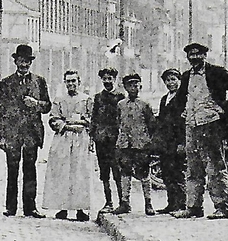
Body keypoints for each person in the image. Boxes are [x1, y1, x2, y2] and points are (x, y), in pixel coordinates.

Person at [169, 42, 228, 221]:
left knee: (215, 168)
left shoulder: (217, 72)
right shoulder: (187, 76)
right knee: (193, 169)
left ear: (205, 55)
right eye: (191, 55)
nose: (194, 58)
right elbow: (180, 99)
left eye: (198, 54)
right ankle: (194, 207)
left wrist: (223, 109)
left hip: (211, 125)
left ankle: (222, 207)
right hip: (191, 126)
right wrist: (181, 113)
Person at [0, 44, 52, 218]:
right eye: (20, 61)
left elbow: (47, 106)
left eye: (27, 62)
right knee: (12, 170)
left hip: (31, 134)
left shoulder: (39, 81)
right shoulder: (6, 83)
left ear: (30, 63)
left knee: (30, 170)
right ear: (15, 61)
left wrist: (36, 103)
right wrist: (1, 136)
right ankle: (10, 207)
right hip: (12, 134)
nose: (24, 65)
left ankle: (30, 207)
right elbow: (0, 111)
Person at [43, 70, 95, 221]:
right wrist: (65, 126)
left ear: (79, 82)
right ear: (64, 83)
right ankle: (63, 207)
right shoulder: (59, 100)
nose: (71, 84)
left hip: (80, 138)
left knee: (80, 173)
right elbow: (53, 119)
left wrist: (81, 123)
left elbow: (92, 119)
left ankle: (80, 209)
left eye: (74, 81)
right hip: (63, 138)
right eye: (68, 81)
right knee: (62, 172)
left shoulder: (86, 99)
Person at [115, 73, 156, 215]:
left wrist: (149, 143)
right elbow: (118, 123)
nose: (133, 88)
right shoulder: (121, 105)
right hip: (125, 144)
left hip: (141, 144)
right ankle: (125, 203)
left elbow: (152, 125)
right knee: (125, 173)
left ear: (140, 86)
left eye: (136, 84)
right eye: (130, 85)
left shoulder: (145, 104)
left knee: (144, 173)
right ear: (125, 87)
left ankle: (148, 203)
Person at [152, 69, 187, 215]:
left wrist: (182, 142)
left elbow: (183, 122)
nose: (170, 83)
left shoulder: (183, 98)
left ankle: (181, 203)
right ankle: (171, 203)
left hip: (177, 140)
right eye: (167, 80)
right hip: (165, 141)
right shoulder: (164, 99)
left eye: (173, 79)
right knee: (166, 172)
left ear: (179, 81)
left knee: (177, 172)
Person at [90, 68, 124, 212]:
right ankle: (108, 202)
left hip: (115, 140)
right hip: (101, 139)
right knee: (104, 172)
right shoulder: (98, 97)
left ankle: (123, 202)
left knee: (118, 171)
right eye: (104, 79)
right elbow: (94, 118)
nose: (107, 82)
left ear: (114, 79)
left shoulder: (121, 96)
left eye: (110, 78)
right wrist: (92, 137)